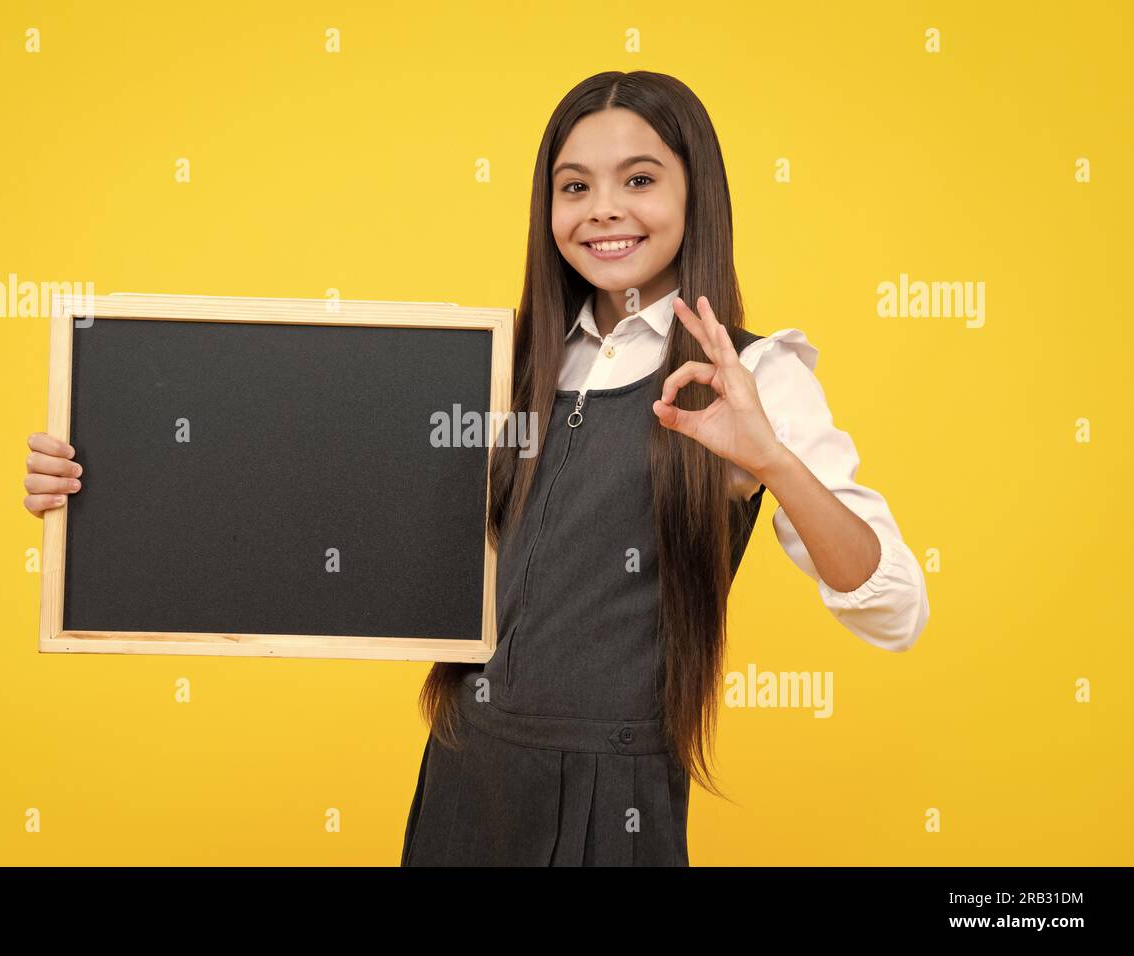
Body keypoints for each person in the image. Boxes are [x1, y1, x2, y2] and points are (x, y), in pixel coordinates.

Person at [398, 70, 930, 866]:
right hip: (465, 776)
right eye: (575, 186)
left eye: (639, 180)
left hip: (615, 798)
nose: (603, 209)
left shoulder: (757, 375)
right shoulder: (508, 361)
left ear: (695, 194)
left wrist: (772, 461)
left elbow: (895, 610)